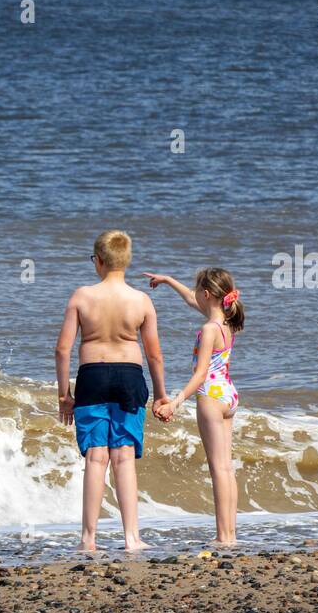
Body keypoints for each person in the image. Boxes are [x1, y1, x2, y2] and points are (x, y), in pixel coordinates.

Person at [55, 230, 169, 552]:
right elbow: (154, 354)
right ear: (126, 262)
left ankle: (88, 539)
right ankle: (132, 538)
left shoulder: (81, 297)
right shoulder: (141, 300)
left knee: (95, 457)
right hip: (129, 377)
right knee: (123, 458)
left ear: (99, 261)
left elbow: (62, 350)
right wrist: (161, 394)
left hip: (92, 375)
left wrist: (64, 396)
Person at [143, 268, 246, 546]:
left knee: (218, 470)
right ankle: (230, 534)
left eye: (197, 290)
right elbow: (191, 299)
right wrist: (167, 281)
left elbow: (200, 374)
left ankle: (222, 536)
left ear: (207, 294)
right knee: (227, 468)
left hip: (210, 397)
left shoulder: (208, 329)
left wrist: (174, 403)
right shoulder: (226, 321)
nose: (194, 295)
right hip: (229, 395)